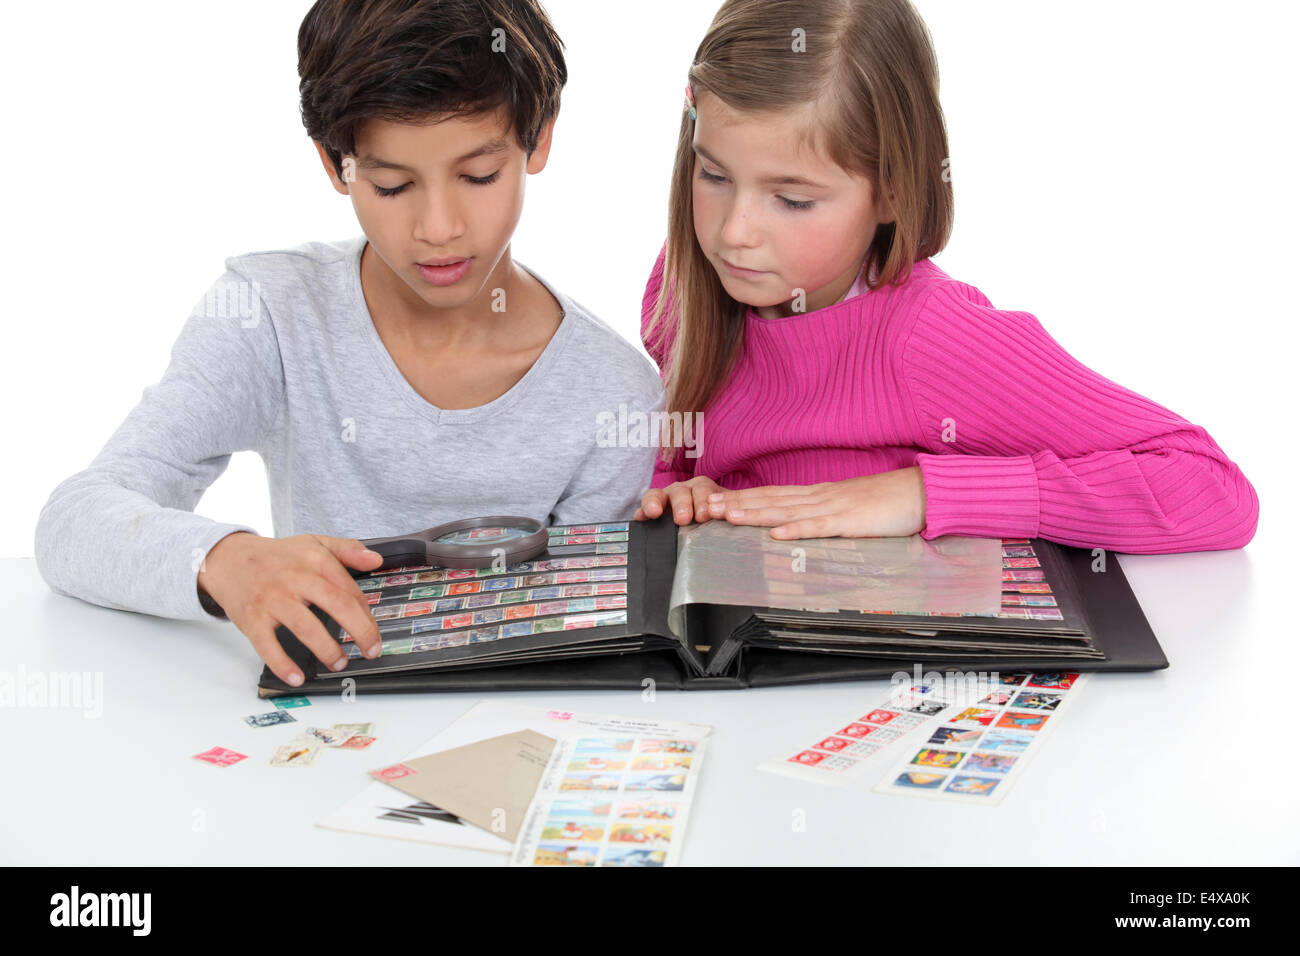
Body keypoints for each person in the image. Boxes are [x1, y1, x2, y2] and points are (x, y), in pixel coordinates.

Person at [34, 0, 662, 688]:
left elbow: (583, 636)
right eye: (393, 185)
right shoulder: (269, 314)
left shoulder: (613, 391)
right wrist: (227, 560)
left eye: (478, 176)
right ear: (338, 165)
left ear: (538, 140)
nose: (440, 227)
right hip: (318, 734)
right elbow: (73, 522)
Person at [636, 0, 1257, 555]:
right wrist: (680, 492)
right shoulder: (685, 283)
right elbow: (682, 450)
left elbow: (1212, 488)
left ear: (893, 193)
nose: (733, 231)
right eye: (714, 176)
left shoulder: (932, 339)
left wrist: (924, 494)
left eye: (793, 200)